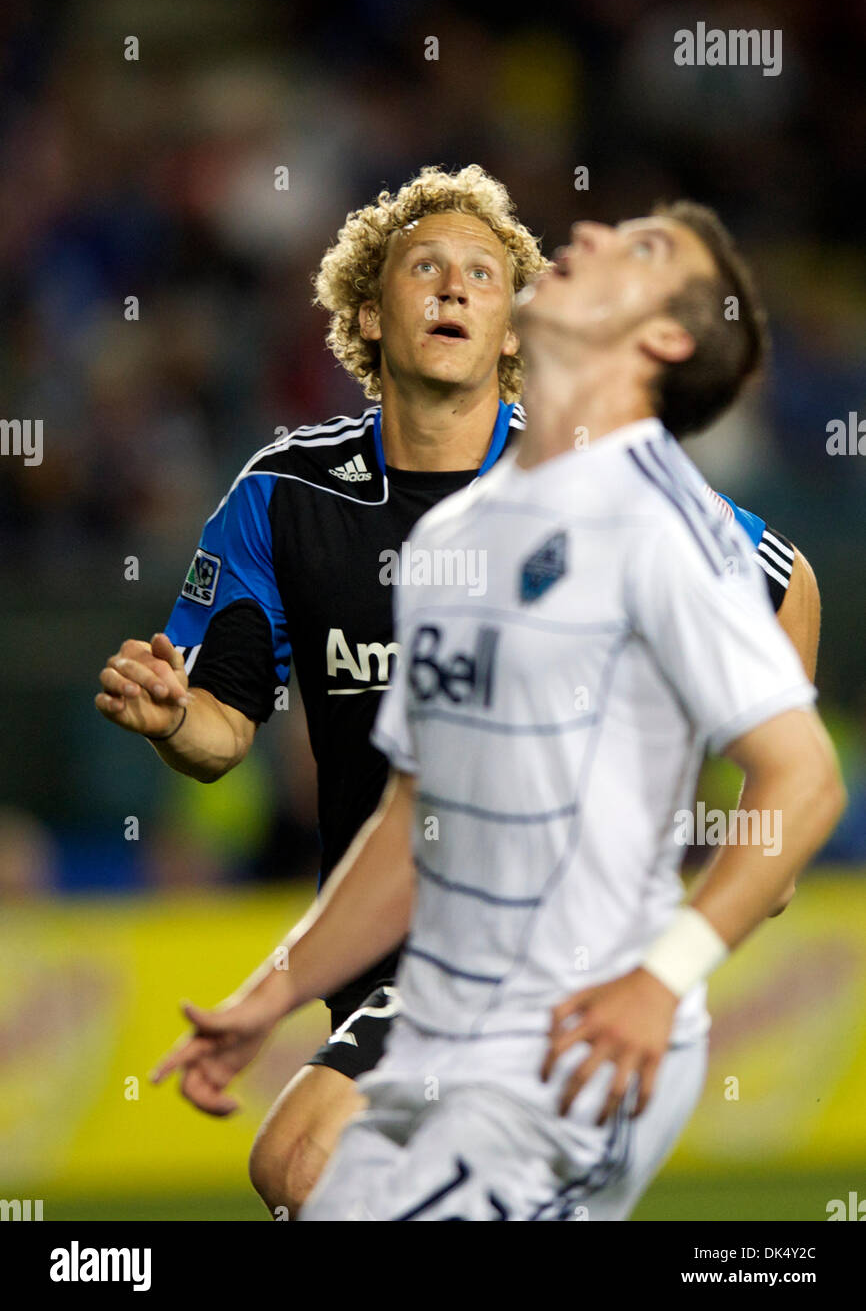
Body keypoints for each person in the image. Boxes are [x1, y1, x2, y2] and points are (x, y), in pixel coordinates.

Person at [107, 178, 818, 1217]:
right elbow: (399, 811)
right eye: (425, 267)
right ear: (365, 314)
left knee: (308, 1163)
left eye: (484, 275)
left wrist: (741, 859)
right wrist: (268, 991)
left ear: (512, 331)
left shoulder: (606, 491)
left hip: (546, 964)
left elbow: (783, 587)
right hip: (408, 957)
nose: (455, 287)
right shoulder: (389, 525)